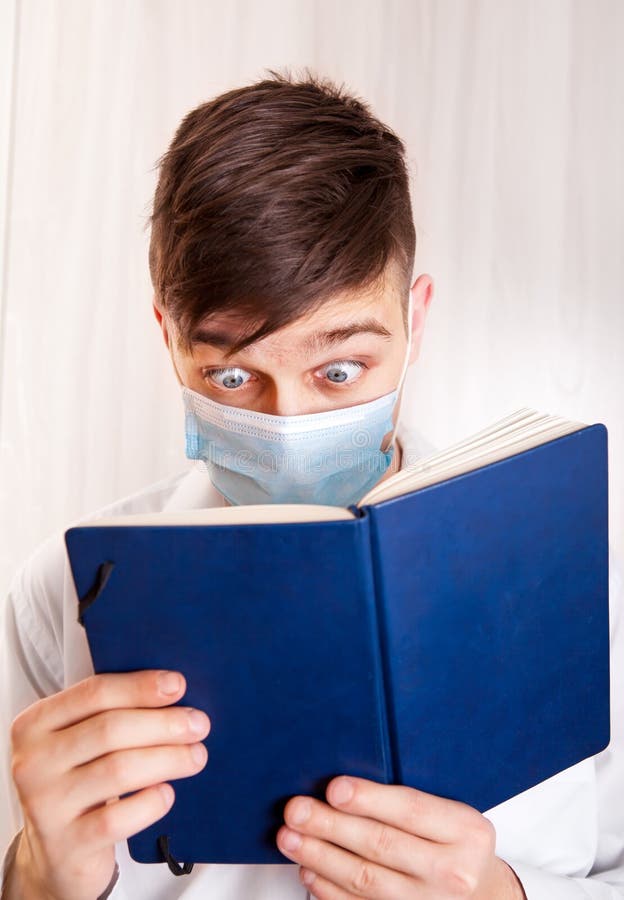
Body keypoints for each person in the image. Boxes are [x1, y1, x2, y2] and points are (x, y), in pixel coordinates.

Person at [1, 69, 623, 900]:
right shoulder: (63, 593)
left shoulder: (580, 572)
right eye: (231, 379)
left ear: (417, 318)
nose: (288, 421)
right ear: (168, 336)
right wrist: (36, 880)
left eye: (339, 368)